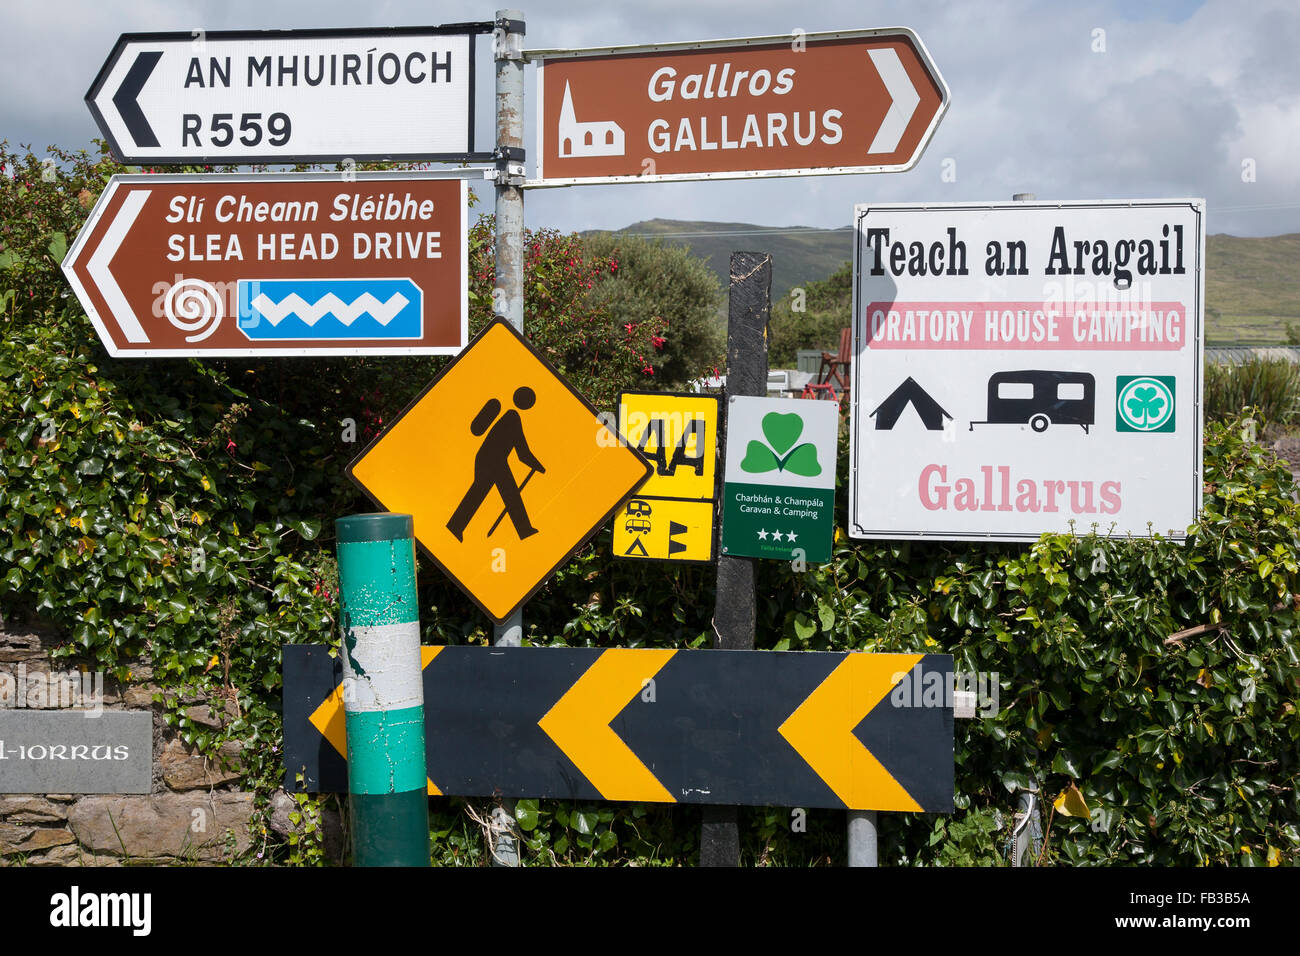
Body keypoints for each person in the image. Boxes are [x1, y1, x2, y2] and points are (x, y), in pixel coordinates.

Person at [446, 387, 545, 541]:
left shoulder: (510, 416)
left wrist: (535, 464)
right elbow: (522, 452)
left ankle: (455, 526)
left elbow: (521, 452)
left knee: (498, 492)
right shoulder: (512, 417)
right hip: (491, 460)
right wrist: (539, 466)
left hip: (491, 459)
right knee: (502, 493)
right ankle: (524, 530)